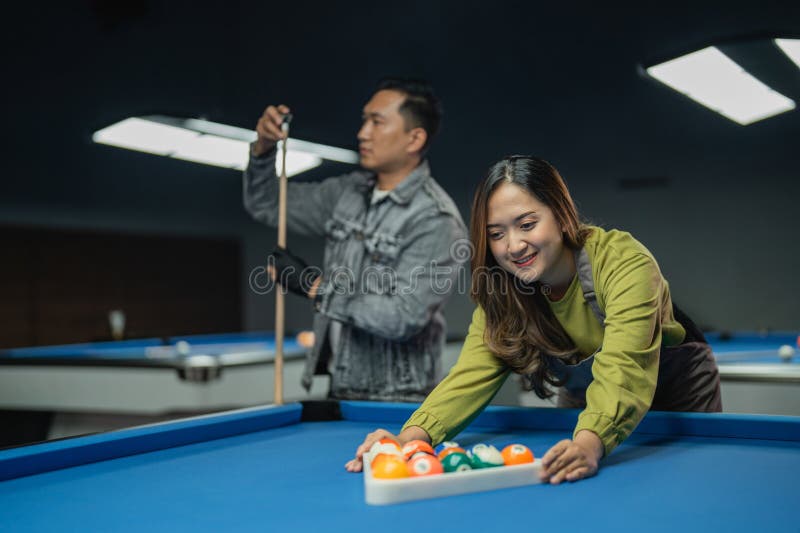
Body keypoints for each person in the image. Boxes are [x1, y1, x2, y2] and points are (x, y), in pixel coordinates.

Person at [345, 155, 721, 483]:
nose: (513, 246)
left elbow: (626, 365)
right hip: (589, 402)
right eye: (497, 234)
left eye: (527, 224)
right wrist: (410, 439)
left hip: (675, 395)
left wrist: (589, 443)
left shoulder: (624, 262)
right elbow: (468, 377)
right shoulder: (504, 293)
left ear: (560, 214)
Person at [243, 78, 467, 401]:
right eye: (365, 120)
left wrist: (314, 286)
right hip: (341, 386)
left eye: (377, 122)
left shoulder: (436, 218)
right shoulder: (347, 192)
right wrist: (263, 149)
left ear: (414, 138)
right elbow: (265, 202)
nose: (363, 132)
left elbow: (404, 317)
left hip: (402, 399)